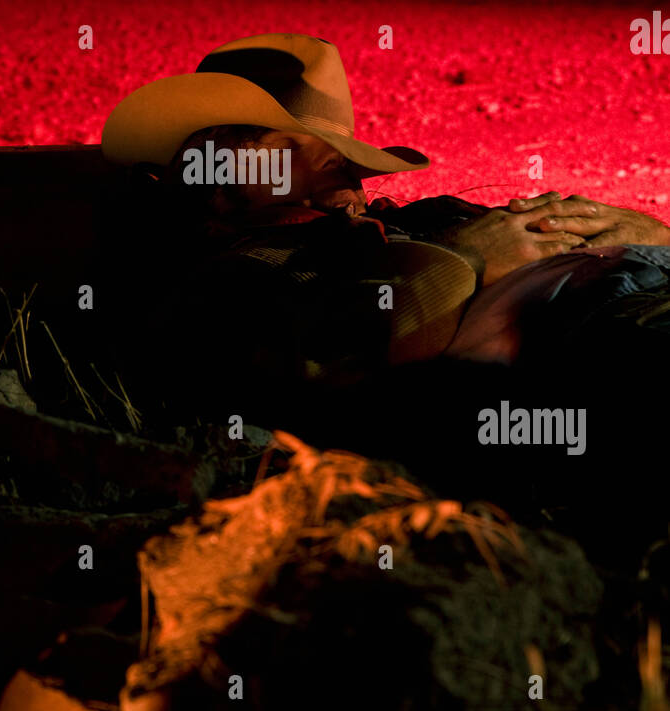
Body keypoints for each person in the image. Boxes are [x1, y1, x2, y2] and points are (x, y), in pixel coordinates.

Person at [99, 32, 670, 441]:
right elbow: (329, 359)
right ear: (222, 183)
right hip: (603, 351)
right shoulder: (222, 283)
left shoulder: (420, 216)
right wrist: (465, 257)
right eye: (310, 157)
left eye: (346, 160)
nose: (350, 175)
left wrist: (647, 230)